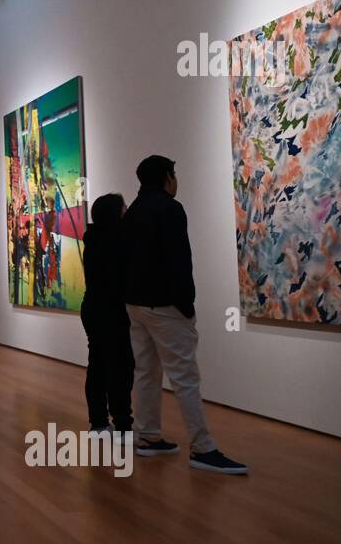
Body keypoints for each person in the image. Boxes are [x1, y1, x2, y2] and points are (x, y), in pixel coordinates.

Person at [123, 155, 247, 474]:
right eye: (174, 174)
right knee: (185, 377)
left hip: (135, 305)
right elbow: (180, 261)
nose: (176, 180)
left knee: (146, 372)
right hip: (165, 306)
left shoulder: (133, 211)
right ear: (166, 177)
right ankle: (203, 447)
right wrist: (186, 305)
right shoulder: (170, 209)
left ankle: (147, 436)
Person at [80, 193, 133, 434]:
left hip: (92, 307)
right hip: (112, 309)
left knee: (98, 364)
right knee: (119, 365)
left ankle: (99, 423)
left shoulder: (93, 239)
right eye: (124, 208)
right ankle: (123, 424)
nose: (127, 211)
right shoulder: (118, 241)